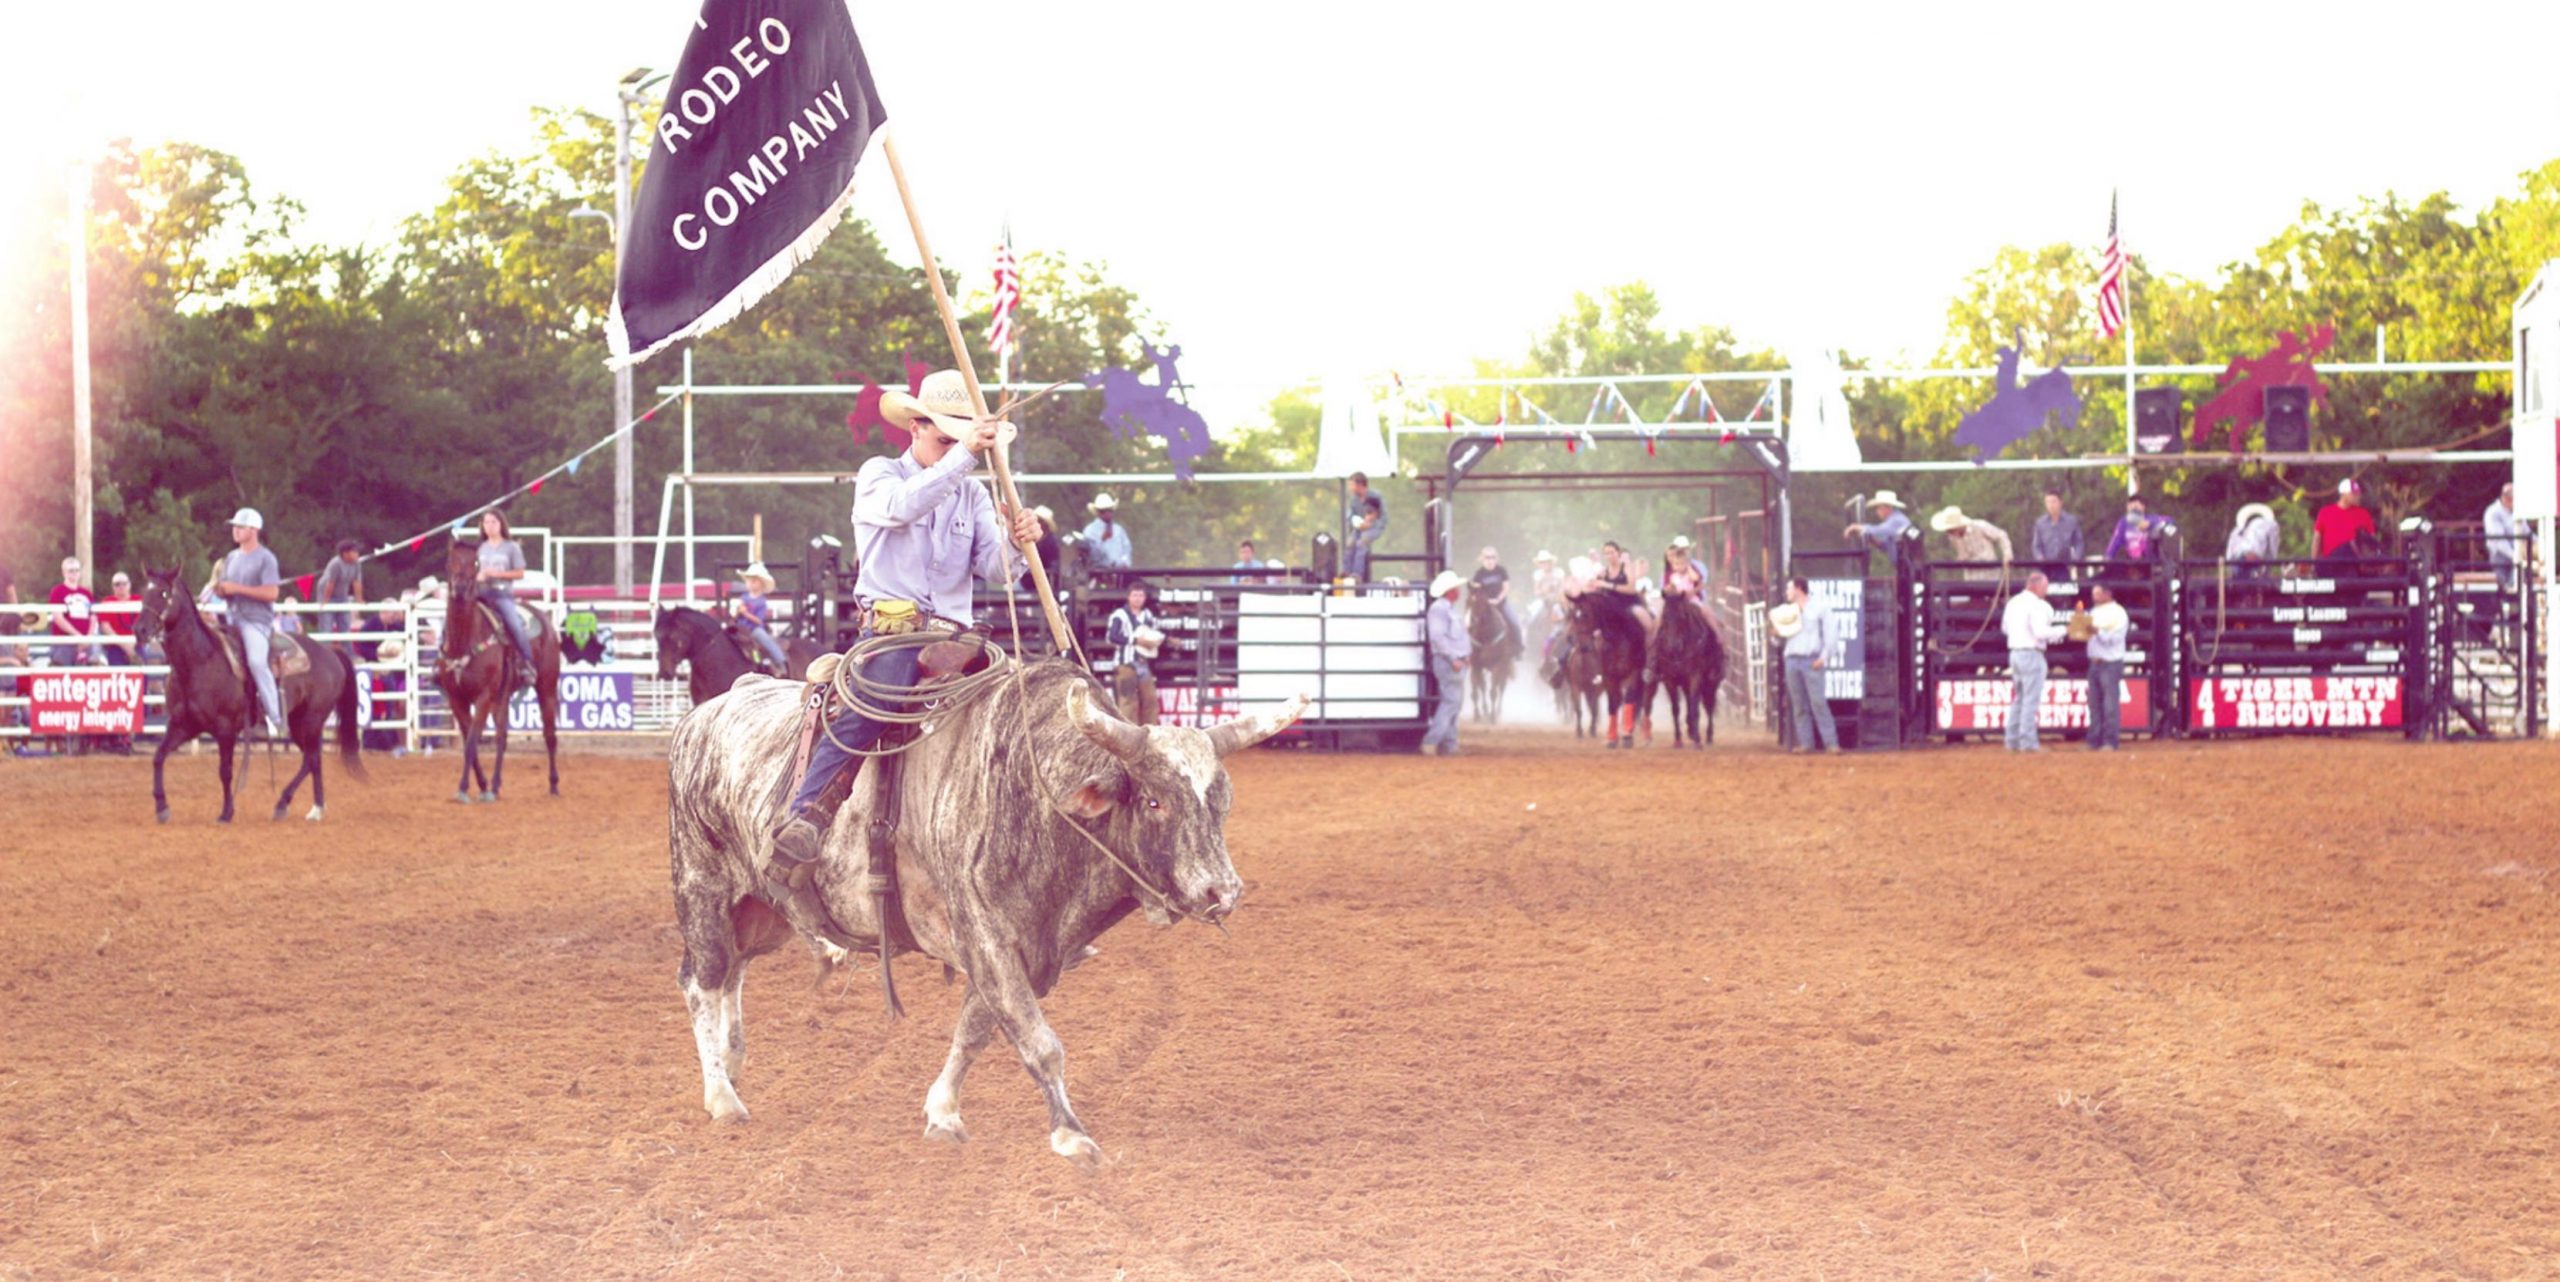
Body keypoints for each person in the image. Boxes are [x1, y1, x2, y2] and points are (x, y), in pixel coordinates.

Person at [768, 367, 1038, 873]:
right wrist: (964, 458)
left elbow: (994, 570)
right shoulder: (879, 475)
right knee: (873, 705)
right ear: (914, 426)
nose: (955, 447)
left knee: (1021, 708)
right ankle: (809, 812)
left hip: (958, 638)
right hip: (893, 635)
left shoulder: (975, 495)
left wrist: (1018, 539)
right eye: (945, 438)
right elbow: (902, 508)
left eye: (960, 439)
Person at [213, 508, 287, 737]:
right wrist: (222, 590)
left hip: (256, 621)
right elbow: (226, 588)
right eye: (234, 526)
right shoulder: (231, 558)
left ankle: (275, 717)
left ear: (254, 530)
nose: (235, 531)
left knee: (256, 661)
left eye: (240, 527)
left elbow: (272, 593)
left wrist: (237, 589)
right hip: (230, 618)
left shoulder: (266, 558)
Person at [2000, 570, 2067, 752]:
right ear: (2037, 586)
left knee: (2020, 698)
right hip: (2031, 652)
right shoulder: (2037, 605)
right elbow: (2041, 632)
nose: (2045, 591)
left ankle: (2012, 740)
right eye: (2044, 587)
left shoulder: (2013, 602)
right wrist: (2063, 630)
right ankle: (2028, 742)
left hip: (2015, 652)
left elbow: (2005, 628)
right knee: (2030, 699)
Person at [1773, 577, 1841, 754]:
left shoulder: (1819, 607)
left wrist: (1824, 656)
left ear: (1798, 589)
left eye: (1789, 588)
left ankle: (1830, 743)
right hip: (1793, 658)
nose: (1786, 592)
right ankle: (1807, 743)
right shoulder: (1786, 611)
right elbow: (1778, 639)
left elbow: (1831, 634)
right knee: (1799, 704)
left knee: (1817, 702)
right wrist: (1774, 634)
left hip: (1811, 658)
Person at [473, 510, 541, 683]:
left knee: (515, 624)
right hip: (480, 593)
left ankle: (527, 662)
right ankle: (444, 659)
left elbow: (520, 573)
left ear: (501, 524)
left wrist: (496, 574)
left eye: (493, 522)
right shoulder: (480, 547)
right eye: (486, 522)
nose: (489, 526)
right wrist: (477, 577)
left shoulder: (511, 547)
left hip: (502, 593)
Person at [1421, 569, 1471, 756]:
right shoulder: (1440, 609)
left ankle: (1449, 744)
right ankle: (1432, 741)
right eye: (1455, 588)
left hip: (1454, 662)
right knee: (1451, 702)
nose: (1458, 590)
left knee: (1453, 703)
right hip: (1449, 662)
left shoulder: (1446, 609)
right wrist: (1453, 658)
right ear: (1449, 590)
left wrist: (1463, 656)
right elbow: (1438, 638)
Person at [1104, 581, 1164, 726]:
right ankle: (1129, 735)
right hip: (1125, 664)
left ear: (1144, 598)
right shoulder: (1120, 615)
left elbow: (1154, 634)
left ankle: (1150, 735)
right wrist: (1135, 640)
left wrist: (1154, 642)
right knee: (1128, 701)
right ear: (1128, 597)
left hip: (1143, 663)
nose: (1138, 598)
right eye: (1135, 595)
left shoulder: (1148, 615)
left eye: (1141, 595)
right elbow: (1112, 637)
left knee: (1150, 700)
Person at [2084, 583, 2130, 752]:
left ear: (2107, 593)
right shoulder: (2094, 612)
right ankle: (2094, 739)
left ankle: (2109, 740)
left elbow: (2113, 639)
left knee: (2109, 704)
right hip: (2095, 661)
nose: (2094, 597)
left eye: (2097, 593)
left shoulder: (2118, 613)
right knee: (2095, 704)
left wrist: (2096, 632)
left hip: (2110, 662)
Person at [730, 562, 791, 670]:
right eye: (749, 580)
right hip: (741, 628)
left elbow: (758, 621)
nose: (750, 583)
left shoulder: (761, 601)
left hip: (754, 629)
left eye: (754, 581)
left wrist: (746, 614)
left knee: (766, 641)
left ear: (761, 584)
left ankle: (781, 661)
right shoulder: (744, 597)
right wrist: (737, 612)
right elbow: (736, 614)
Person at [1930, 507, 2014, 582]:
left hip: (1989, 573)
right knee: (1973, 597)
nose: (1949, 533)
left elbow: (2001, 535)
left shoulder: (1980, 526)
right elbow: (1963, 556)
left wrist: (2007, 554)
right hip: (1971, 576)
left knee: (1992, 596)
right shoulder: (1953, 537)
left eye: (1951, 530)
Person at [46, 556, 100, 668]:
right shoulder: (57, 591)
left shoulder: (86, 593)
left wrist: (87, 638)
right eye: (71, 571)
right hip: (65, 643)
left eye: (76, 570)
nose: (74, 573)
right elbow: (58, 618)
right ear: (64, 572)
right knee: (62, 678)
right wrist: (78, 637)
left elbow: (93, 617)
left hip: (86, 644)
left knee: (88, 677)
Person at [1843, 491, 1914, 572]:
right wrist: (1872, 540)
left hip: (1910, 568)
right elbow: (1887, 546)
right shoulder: (1893, 523)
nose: (1877, 511)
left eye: (1879, 508)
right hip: (1904, 568)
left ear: (1888, 507)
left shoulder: (1897, 520)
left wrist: (1858, 527)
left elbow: (1879, 530)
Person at [2313, 478, 2378, 562]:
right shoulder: (2325, 512)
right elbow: (2317, 539)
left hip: (2355, 564)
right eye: (2354, 493)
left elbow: (2372, 539)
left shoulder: (2363, 514)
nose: (2358, 496)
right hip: (2331, 564)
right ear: (2344, 494)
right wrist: (2313, 563)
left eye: (2358, 493)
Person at [1468, 546, 1521, 647]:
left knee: (1514, 622)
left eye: (1493, 557)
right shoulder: (1479, 574)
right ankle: (1470, 648)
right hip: (1485, 605)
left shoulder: (1501, 570)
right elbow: (1476, 592)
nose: (1490, 560)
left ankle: (1518, 646)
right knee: (1471, 623)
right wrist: (1486, 601)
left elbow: (1506, 587)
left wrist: (1498, 599)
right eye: (1487, 557)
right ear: (1482, 559)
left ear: (1496, 559)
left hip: (1501, 603)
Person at [316, 538, 365, 647]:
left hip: (342, 595)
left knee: (345, 625)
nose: (357, 554)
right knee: (326, 626)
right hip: (327, 593)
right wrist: (325, 601)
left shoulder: (356, 564)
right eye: (355, 551)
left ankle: (349, 654)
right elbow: (330, 583)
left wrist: (359, 599)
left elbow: (357, 582)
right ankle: (325, 653)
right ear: (345, 553)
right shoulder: (335, 564)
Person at [2103, 496, 2175, 563]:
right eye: (2130, 506)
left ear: (2143, 507)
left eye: (2136, 506)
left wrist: (2150, 524)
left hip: (2150, 563)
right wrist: (2108, 557)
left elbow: (2170, 520)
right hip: (2131, 563)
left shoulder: (2150, 519)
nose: (2133, 509)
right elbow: (2115, 541)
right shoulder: (2124, 522)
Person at [1344, 472, 1385, 581]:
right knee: (1349, 543)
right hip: (1359, 528)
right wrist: (1355, 523)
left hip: (1374, 528)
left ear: (1360, 485)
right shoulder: (1354, 500)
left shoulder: (1376, 496)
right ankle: (1347, 573)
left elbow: (1384, 518)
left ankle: (1357, 575)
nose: (1350, 488)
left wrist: (1370, 524)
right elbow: (1349, 516)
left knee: (1361, 542)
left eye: (1352, 485)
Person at [1080, 493, 1132, 577]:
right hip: (1099, 574)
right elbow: (1091, 556)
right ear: (1098, 512)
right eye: (1103, 511)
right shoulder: (1090, 531)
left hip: (1121, 573)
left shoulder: (1119, 530)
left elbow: (1127, 549)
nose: (1107, 513)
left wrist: (1124, 563)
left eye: (1110, 510)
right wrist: (1102, 541)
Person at [2226, 503, 2280, 577]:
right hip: (2251, 557)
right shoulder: (2271, 525)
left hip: (2239, 559)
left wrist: (2230, 566)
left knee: (2241, 578)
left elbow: (2230, 551)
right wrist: (2269, 566)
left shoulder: (2237, 529)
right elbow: (2272, 548)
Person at [2030, 491, 2085, 564]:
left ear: (2060, 503)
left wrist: (2076, 558)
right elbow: (2036, 546)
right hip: (2046, 566)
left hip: (2065, 565)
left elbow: (2079, 542)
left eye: (2053, 502)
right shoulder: (2040, 523)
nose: (2051, 505)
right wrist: (2040, 558)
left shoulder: (2071, 521)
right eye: (2048, 502)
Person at [2485, 483, 2521, 589]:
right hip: (2500, 556)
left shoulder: (2516, 511)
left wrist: (2542, 545)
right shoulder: (2492, 513)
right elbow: (2498, 541)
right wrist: (2515, 556)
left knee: (2519, 577)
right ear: (2505, 498)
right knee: (2505, 586)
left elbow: (2526, 531)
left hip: (2515, 555)